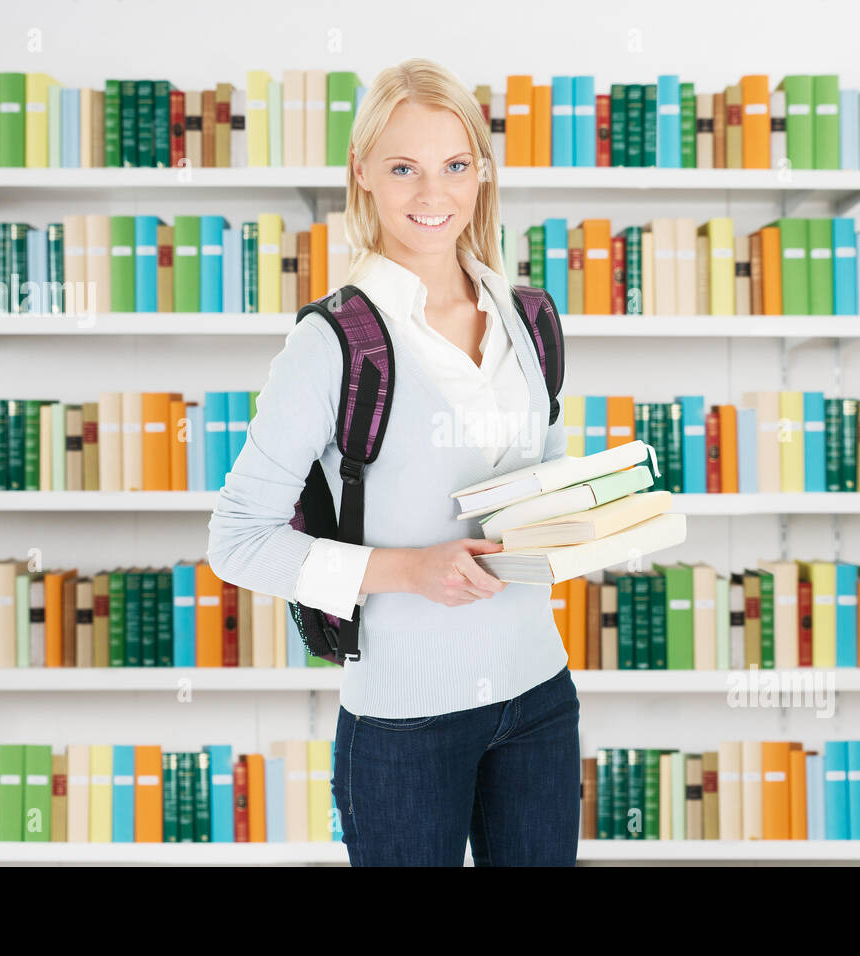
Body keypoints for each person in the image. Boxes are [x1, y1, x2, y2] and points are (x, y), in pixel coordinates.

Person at [206, 57, 580, 866]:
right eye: (404, 168)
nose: (431, 194)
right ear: (363, 175)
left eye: (453, 166)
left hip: (540, 697)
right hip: (405, 722)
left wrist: (596, 521)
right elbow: (237, 539)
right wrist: (408, 571)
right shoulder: (333, 342)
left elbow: (543, 487)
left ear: (481, 173)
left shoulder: (530, 320)